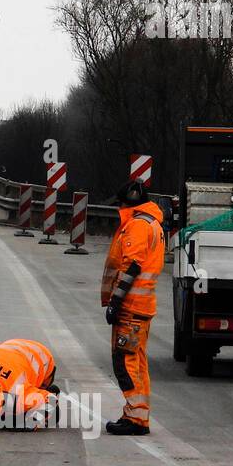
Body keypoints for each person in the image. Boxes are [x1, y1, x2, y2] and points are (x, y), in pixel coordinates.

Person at [101, 178, 166, 435]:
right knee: (137, 362)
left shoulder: (138, 225)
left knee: (125, 362)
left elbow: (132, 266)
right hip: (142, 306)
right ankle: (138, 415)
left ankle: (135, 419)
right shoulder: (153, 223)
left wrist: (115, 302)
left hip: (131, 307)